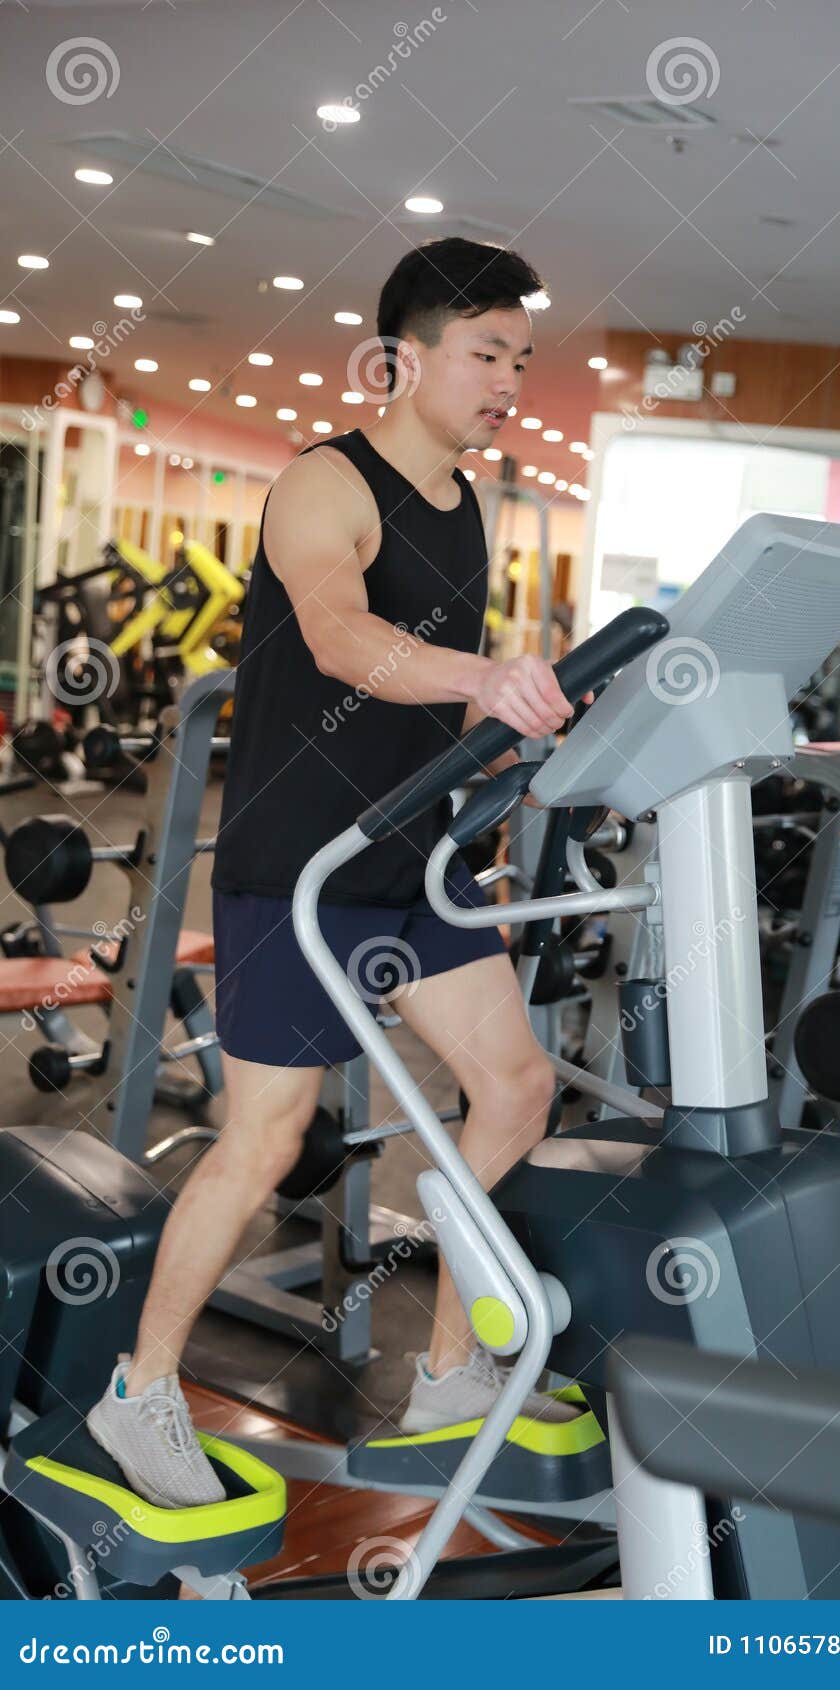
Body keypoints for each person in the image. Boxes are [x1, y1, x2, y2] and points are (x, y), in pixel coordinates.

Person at [87, 237, 580, 1509]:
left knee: (516, 1088)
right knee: (264, 1138)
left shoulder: (468, 506)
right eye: (485, 355)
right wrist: (482, 676)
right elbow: (337, 629)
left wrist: (506, 732)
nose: (507, 381)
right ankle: (138, 1392)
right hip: (297, 864)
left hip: (411, 855)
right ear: (403, 356)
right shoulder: (325, 481)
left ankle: (453, 1369)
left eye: (520, 360)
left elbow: (421, 702)